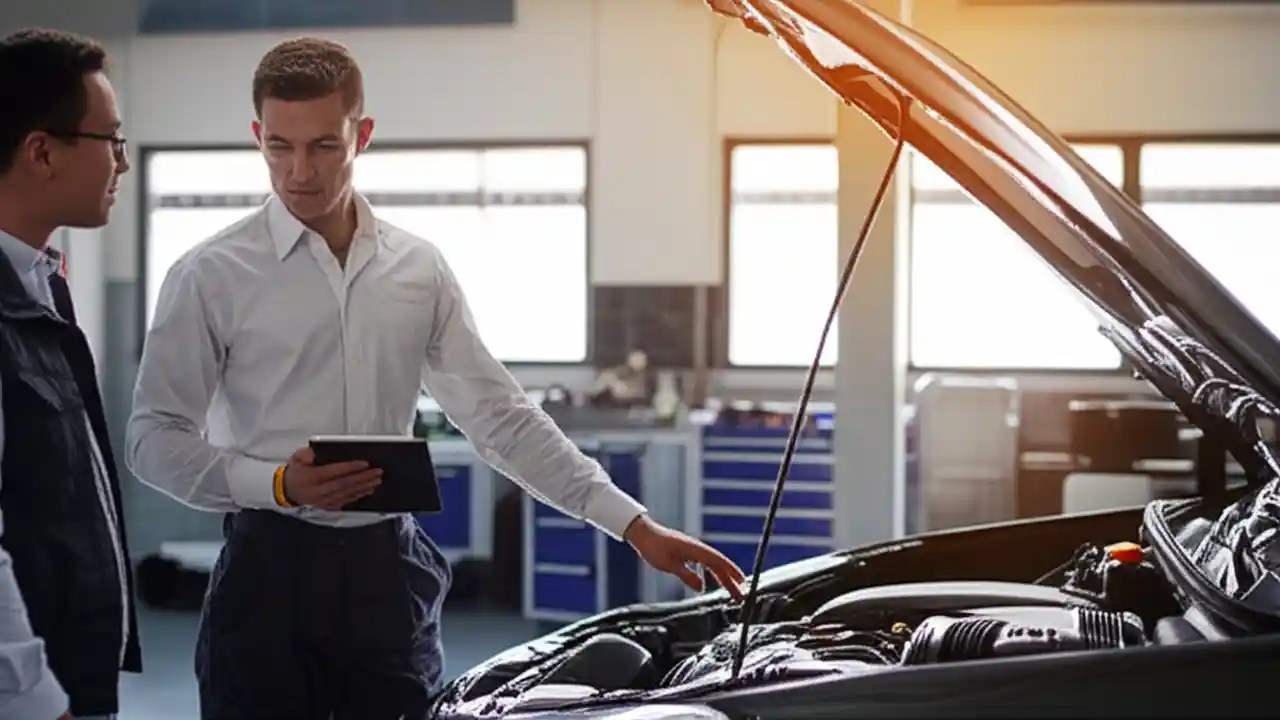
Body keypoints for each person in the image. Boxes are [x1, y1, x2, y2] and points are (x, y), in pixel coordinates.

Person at [126, 37, 745, 720]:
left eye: (324, 147)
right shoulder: (209, 275)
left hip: (386, 578)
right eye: (279, 146)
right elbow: (153, 437)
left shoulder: (417, 269)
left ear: (361, 135)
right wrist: (274, 482)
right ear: (258, 136)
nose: (298, 172)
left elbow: (501, 418)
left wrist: (634, 525)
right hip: (268, 572)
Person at [0, 28, 140, 720]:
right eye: (109, 140)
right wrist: (35, 698)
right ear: (41, 151)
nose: (123, 162)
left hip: (72, 672)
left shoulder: (41, 283)